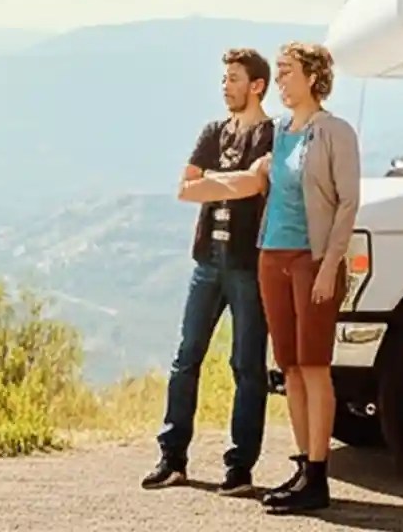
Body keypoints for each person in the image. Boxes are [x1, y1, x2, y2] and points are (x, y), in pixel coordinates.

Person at [178, 41, 360, 514]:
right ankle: (303, 467)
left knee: (316, 367)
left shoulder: (335, 132)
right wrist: (198, 188)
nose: (279, 82)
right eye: (277, 73)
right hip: (271, 258)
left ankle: (319, 475)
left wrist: (328, 265)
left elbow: (347, 204)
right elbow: (253, 181)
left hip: (310, 259)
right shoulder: (278, 132)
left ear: (313, 77)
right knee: (291, 368)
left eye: (287, 73)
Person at [141, 48, 275, 496]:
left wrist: (215, 182)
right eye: (224, 78)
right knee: (186, 358)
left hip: (247, 264)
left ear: (256, 85)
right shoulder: (213, 131)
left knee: (247, 366)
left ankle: (239, 469)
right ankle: (172, 458)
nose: (225, 85)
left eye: (234, 78)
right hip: (207, 261)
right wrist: (232, 180)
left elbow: (256, 184)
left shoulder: (271, 134)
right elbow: (184, 189)